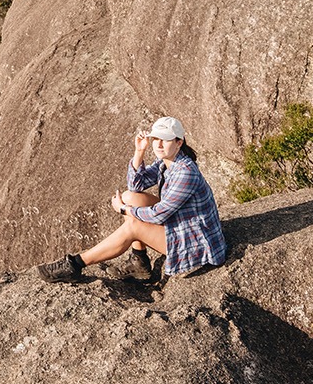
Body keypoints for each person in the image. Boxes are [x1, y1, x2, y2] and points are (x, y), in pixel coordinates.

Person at [36, 115, 226, 283]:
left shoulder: (185, 173)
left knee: (133, 225)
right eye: (156, 139)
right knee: (130, 197)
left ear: (179, 142)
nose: (159, 144)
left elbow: (158, 216)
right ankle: (139, 261)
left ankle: (75, 265)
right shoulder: (167, 162)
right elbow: (135, 186)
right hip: (181, 224)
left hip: (196, 243)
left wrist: (123, 210)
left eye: (165, 140)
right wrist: (139, 152)